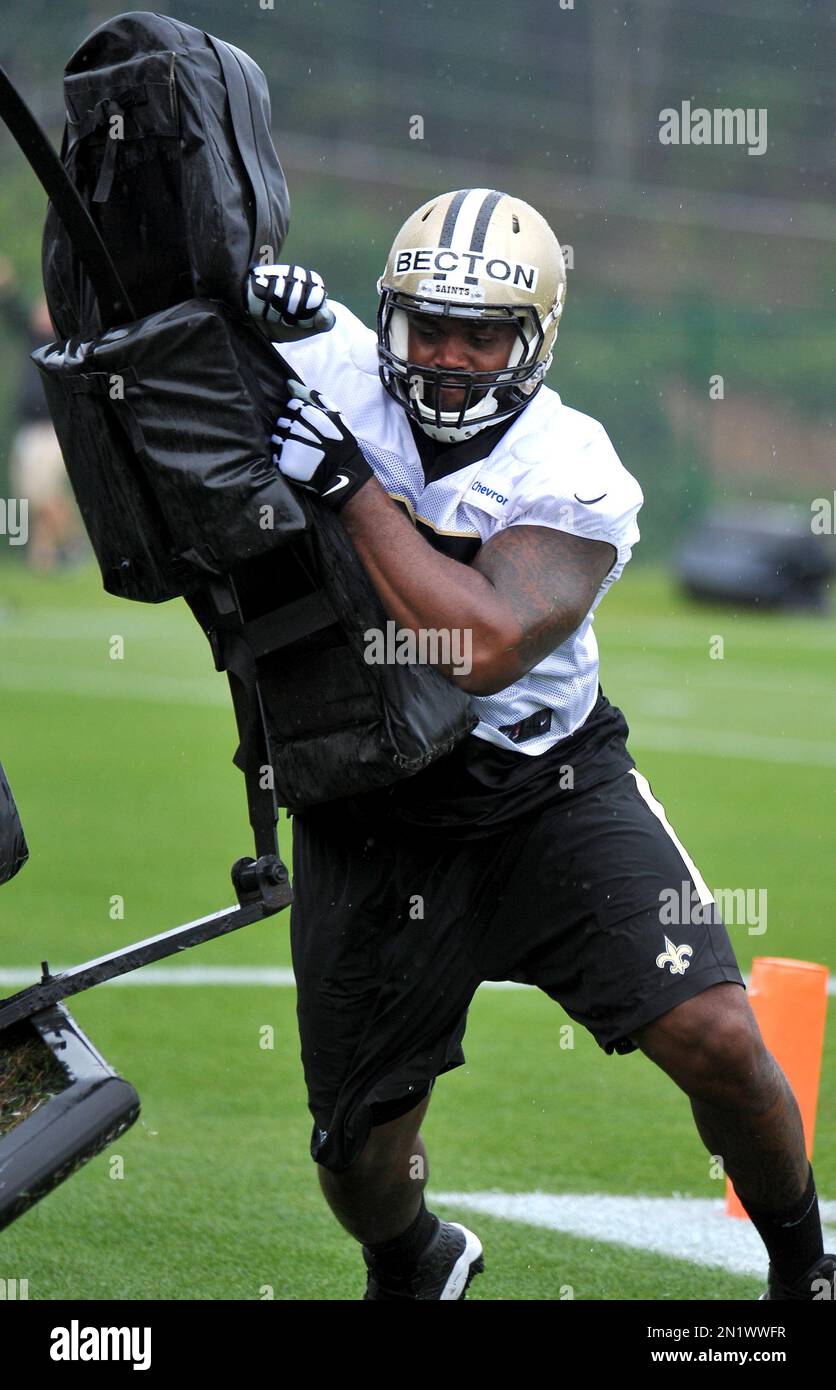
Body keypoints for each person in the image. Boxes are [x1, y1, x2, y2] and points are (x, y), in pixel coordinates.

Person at [247, 189, 833, 1301]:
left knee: (716, 1035)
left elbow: (480, 642)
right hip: (373, 807)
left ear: (534, 340)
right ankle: (414, 1258)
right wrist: (239, 311)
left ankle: (803, 1271)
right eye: (428, 327)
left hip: (542, 787)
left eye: (483, 334)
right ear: (389, 322)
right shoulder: (324, 368)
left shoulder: (574, 462)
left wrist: (347, 488)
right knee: (358, 1158)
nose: (452, 358)